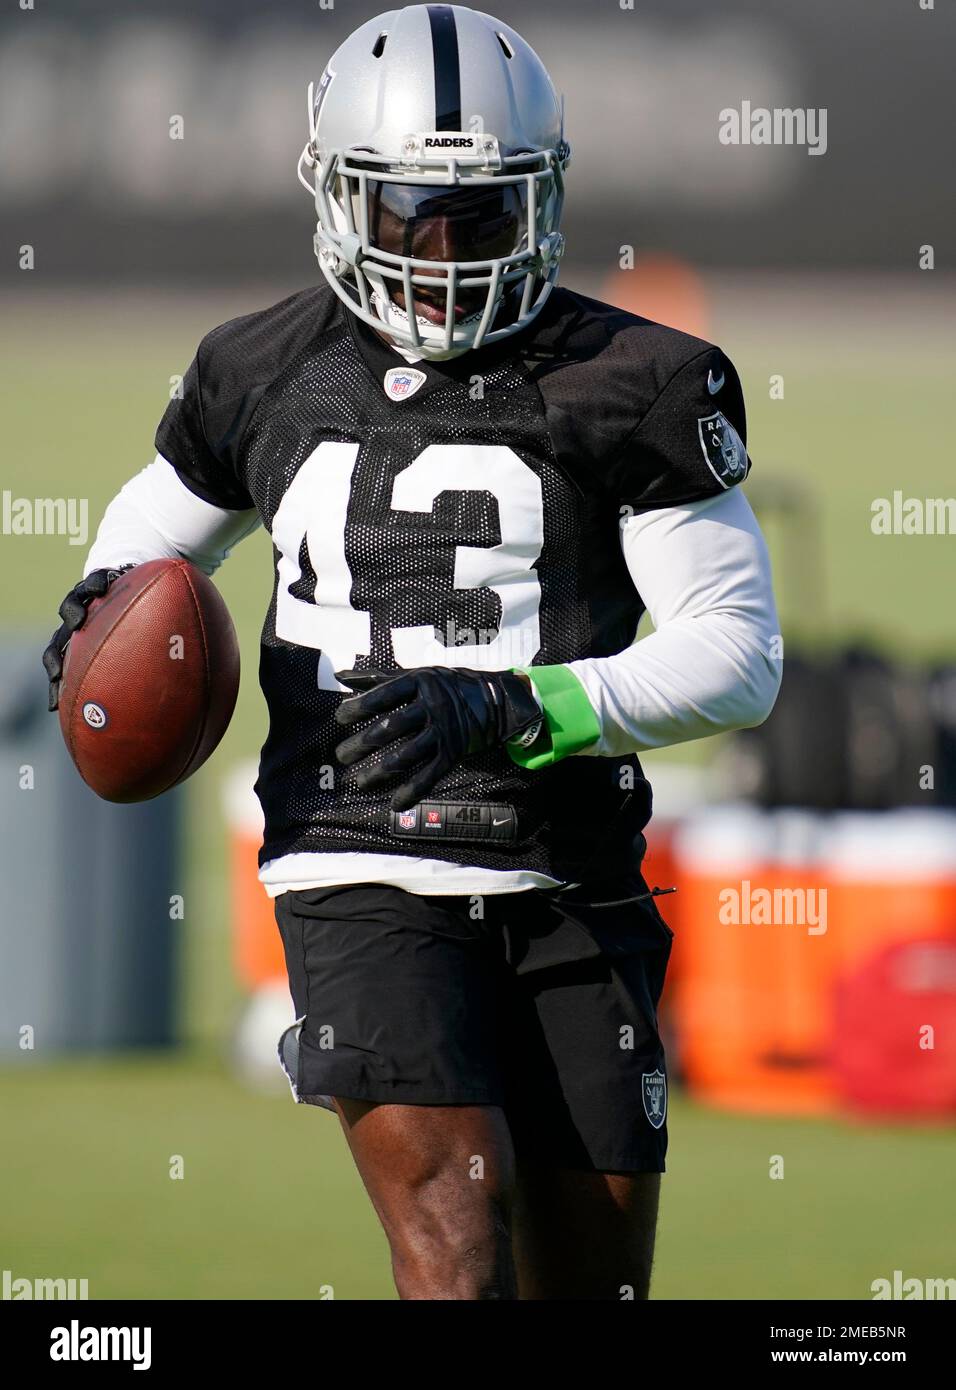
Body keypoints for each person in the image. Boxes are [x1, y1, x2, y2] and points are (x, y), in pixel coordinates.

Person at [43, 5, 781, 1300]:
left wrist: (522, 705)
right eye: (410, 215)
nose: (444, 254)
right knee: (452, 1240)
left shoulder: (640, 378)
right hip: (357, 848)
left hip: (571, 866)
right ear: (337, 197)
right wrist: (101, 612)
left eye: (482, 216)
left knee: (594, 1280)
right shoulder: (258, 368)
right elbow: (142, 546)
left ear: (543, 200)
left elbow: (737, 654)